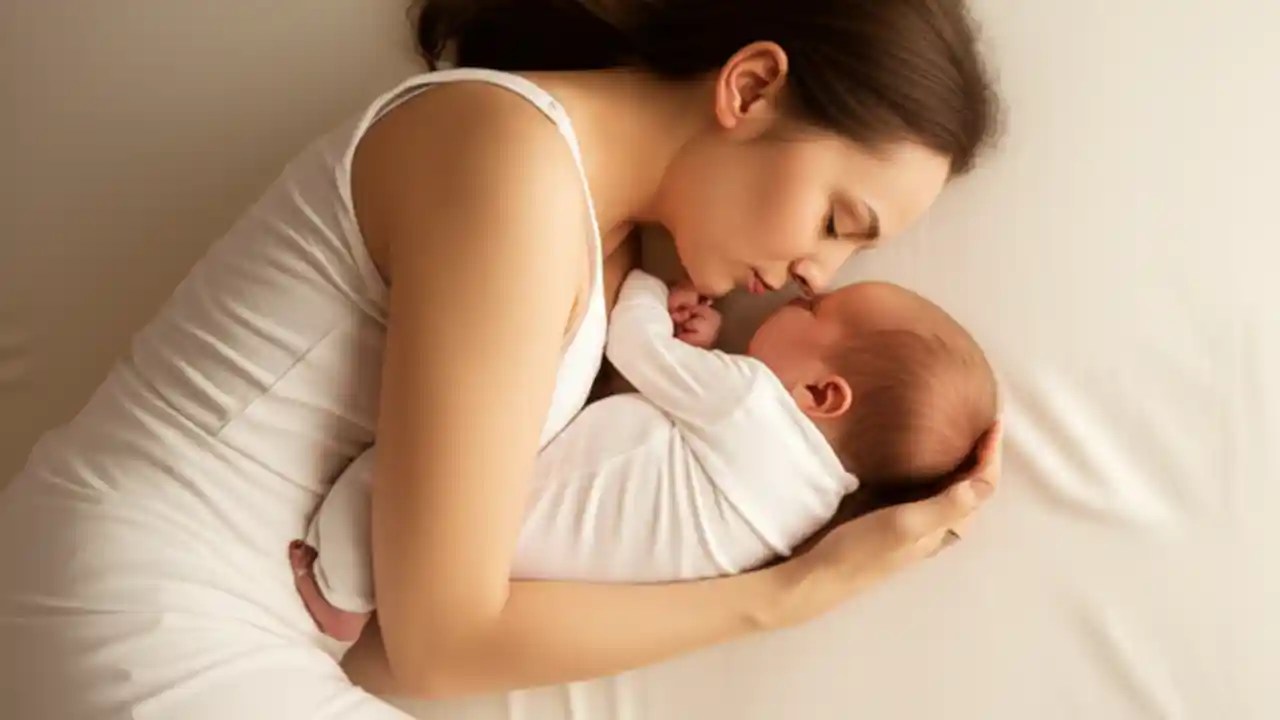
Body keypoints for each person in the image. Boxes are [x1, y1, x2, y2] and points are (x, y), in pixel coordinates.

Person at [0, 1, 1002, 717]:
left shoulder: (602, 238)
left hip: (231, 621)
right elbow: (443, 643)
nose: (809, 273)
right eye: (835, 220)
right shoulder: (506, 161)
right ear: (748, 86)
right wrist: (793, 594)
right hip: (141, 603)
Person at [290, 270, 999, 643]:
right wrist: (698, 354)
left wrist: (655, 289)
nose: (794, 298)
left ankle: (341, 593)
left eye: (812, 312)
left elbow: (632, 345)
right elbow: (657, 475)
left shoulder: (748, 400)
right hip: (537, 571)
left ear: (820, 392)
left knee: (400, 472)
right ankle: (363, 601)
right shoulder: (804, 516)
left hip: (505, 498)